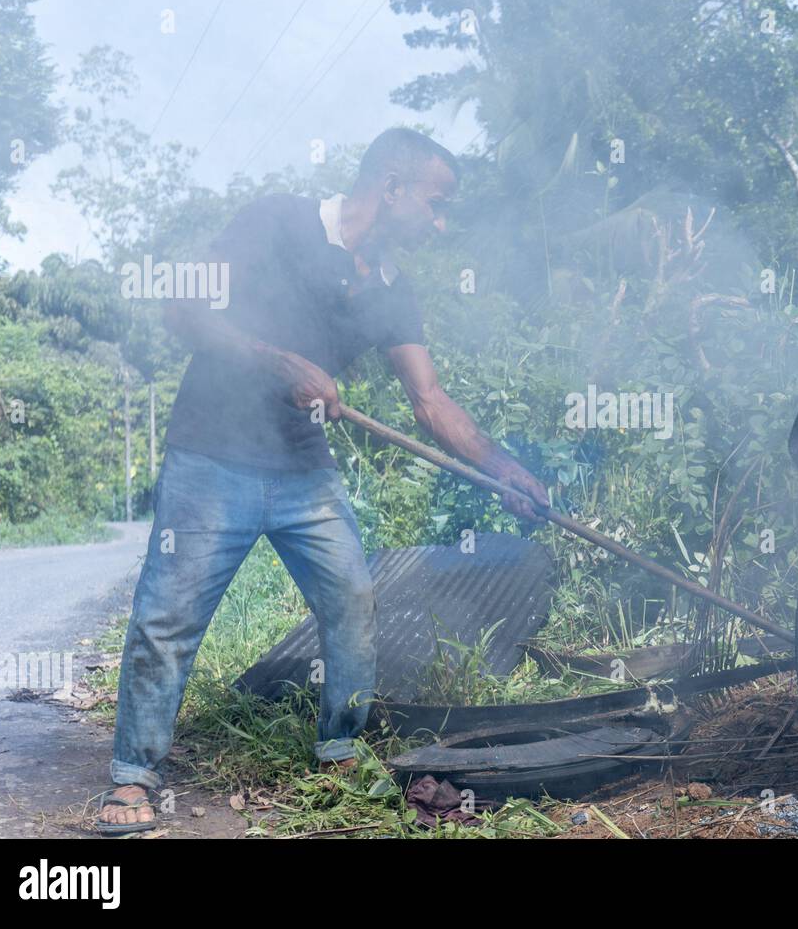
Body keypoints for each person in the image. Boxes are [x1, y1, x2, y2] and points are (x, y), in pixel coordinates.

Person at [96, 128, 549, 834]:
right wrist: (278, 360)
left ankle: (339, 746)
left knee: (351, 597)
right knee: (169, 617)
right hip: (212, 456)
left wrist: (503, 470)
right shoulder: (279, 220)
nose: (440, 223)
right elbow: (181, 308)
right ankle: (133, 776)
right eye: (436, 204)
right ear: (391, 186)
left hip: (304, 468)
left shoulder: (394, 290)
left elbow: (430, 400)